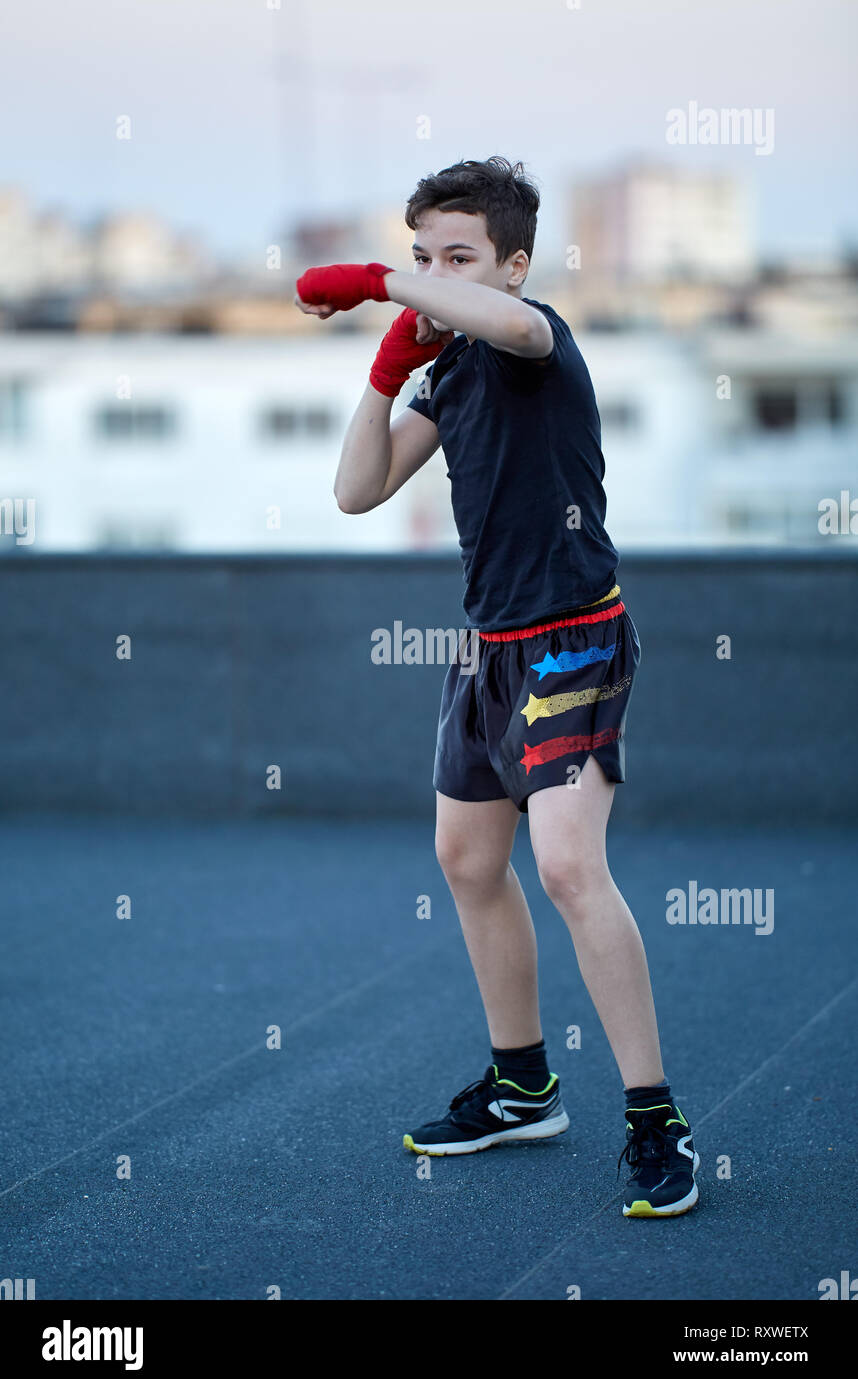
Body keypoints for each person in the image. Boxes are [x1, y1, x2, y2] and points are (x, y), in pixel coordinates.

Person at [294, 155, 699, 1218]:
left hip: (572, 636)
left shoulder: (532, 340)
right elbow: (355, 490)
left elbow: (510, 329)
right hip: (487, 650)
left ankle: (655, 1119)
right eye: (422, 253)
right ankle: (524, 1085)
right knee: (466, 857)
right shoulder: (452, 374)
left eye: (458, 259)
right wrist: (386, 368)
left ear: (512, 267)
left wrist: (386, 283)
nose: (435, 274)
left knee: (567, 866)